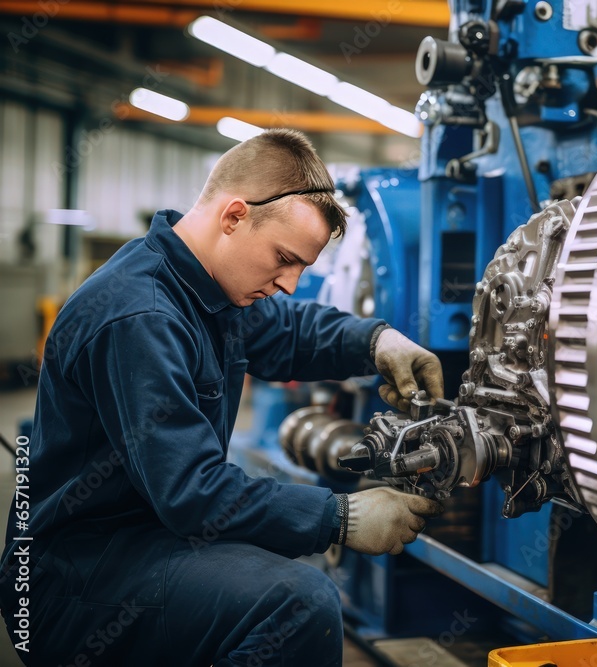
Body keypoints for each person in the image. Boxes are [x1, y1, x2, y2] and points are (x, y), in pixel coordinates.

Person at [0, 129, 444, 666]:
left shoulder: (205, 288)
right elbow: (192, 491)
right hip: (76, 575)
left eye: (302, 267)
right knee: (298, 606)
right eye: (283, 258)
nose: (289, 283)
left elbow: (288, 331)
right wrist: (339, 517)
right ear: (234, 216)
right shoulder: (142, 315)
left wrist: (377, 342)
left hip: (144, 540)